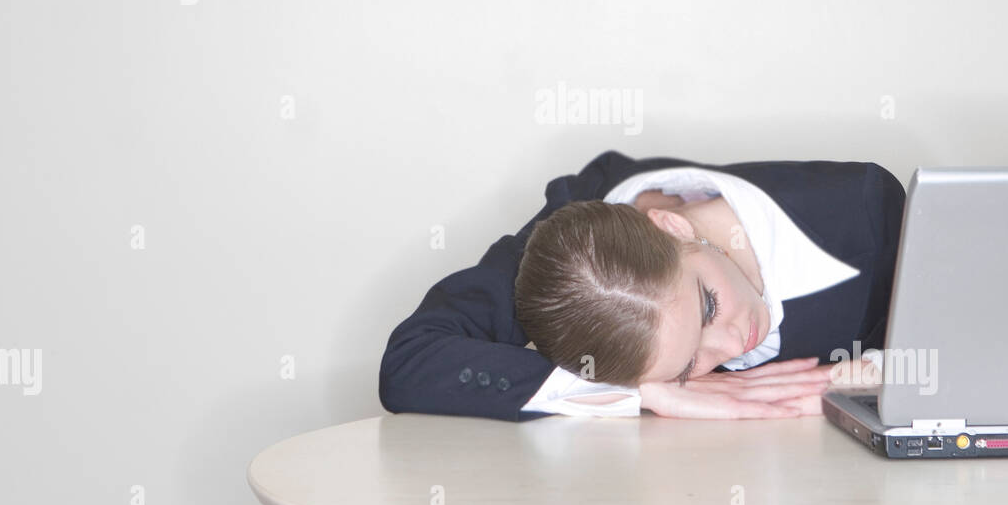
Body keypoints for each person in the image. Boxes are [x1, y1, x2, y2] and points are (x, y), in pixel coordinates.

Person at [379, 149, 903, 421]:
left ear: (673, 228)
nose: (729, 344)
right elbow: (411, 364)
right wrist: (638, 394)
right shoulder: (562, 286)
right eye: (687, 367)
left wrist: (879, 373)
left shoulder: (869, 216)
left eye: (707, 306)